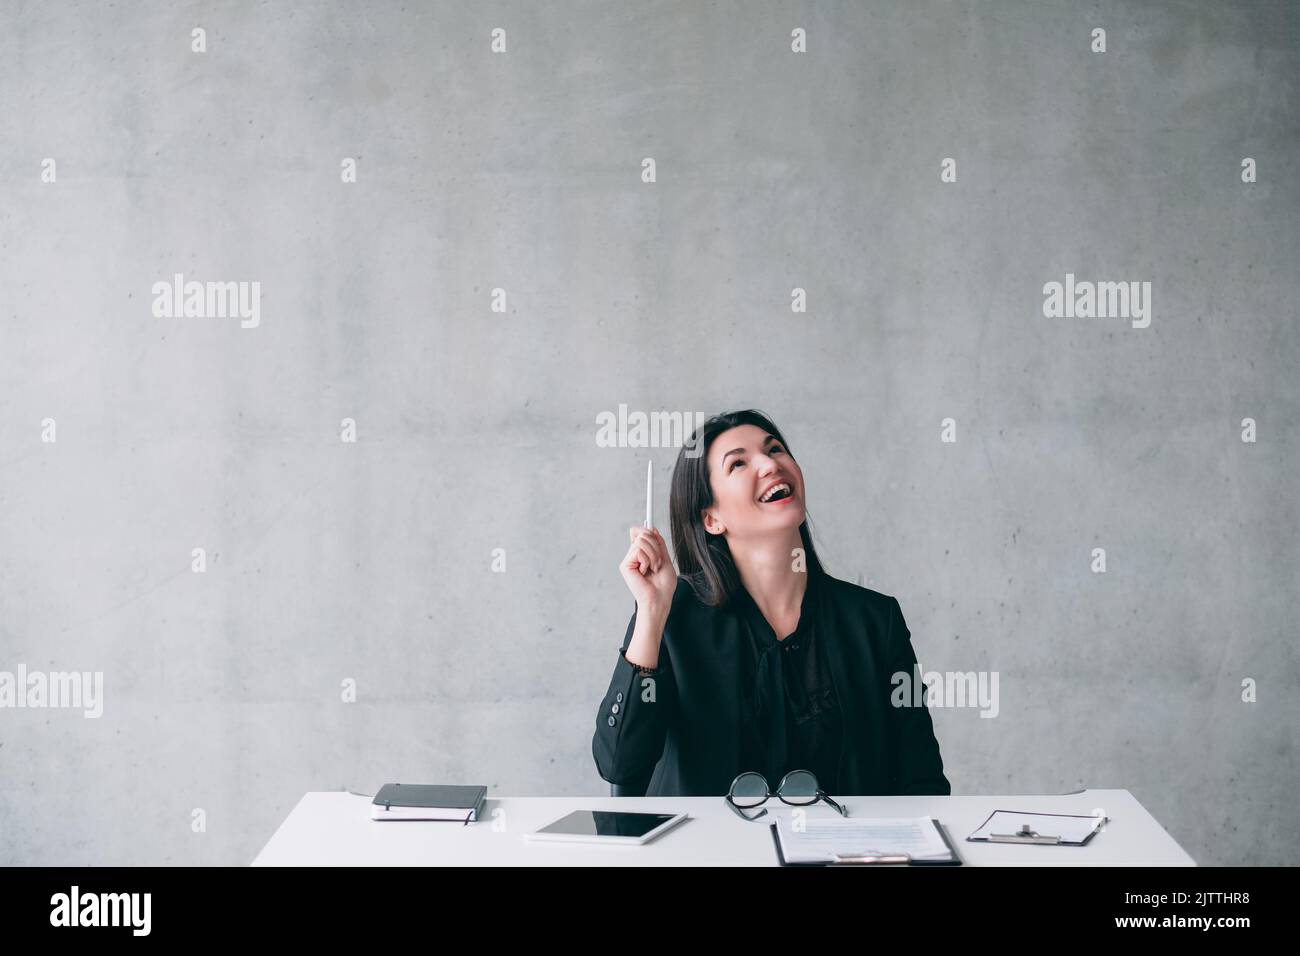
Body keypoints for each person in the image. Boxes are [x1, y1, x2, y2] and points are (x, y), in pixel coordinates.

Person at [592, 409, 951, 798]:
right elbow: (619, 764)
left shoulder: (875, 621)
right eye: (739, 463)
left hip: (841, 854)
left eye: (775, 449)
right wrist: (651, 613)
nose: (769, 464)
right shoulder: (671, 614)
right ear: (711, 518)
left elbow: (923, 782)